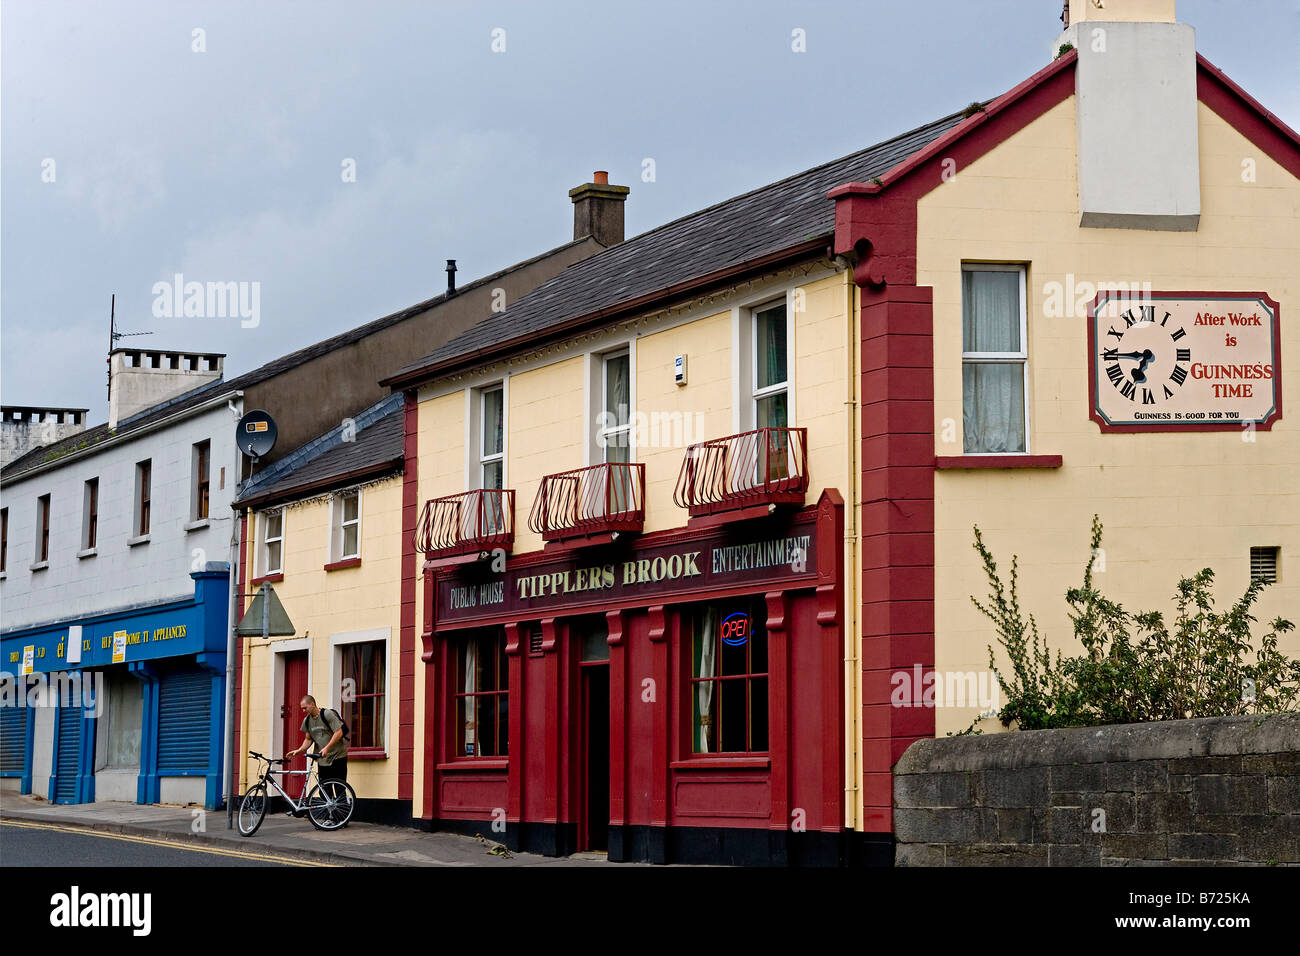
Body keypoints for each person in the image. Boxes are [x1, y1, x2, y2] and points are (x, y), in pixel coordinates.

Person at [286, 694, 348, 784]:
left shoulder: (327, 714)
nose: (303, 711)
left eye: (305, 708)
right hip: (322, 758)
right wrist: (300, 750)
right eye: (302, 708)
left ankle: (341, 798)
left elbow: (339, 732)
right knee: (324, 789)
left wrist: (327, 747)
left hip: (338, 755)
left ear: (312, 704)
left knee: (339, 787)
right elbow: (308, 739)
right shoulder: (307, 721)